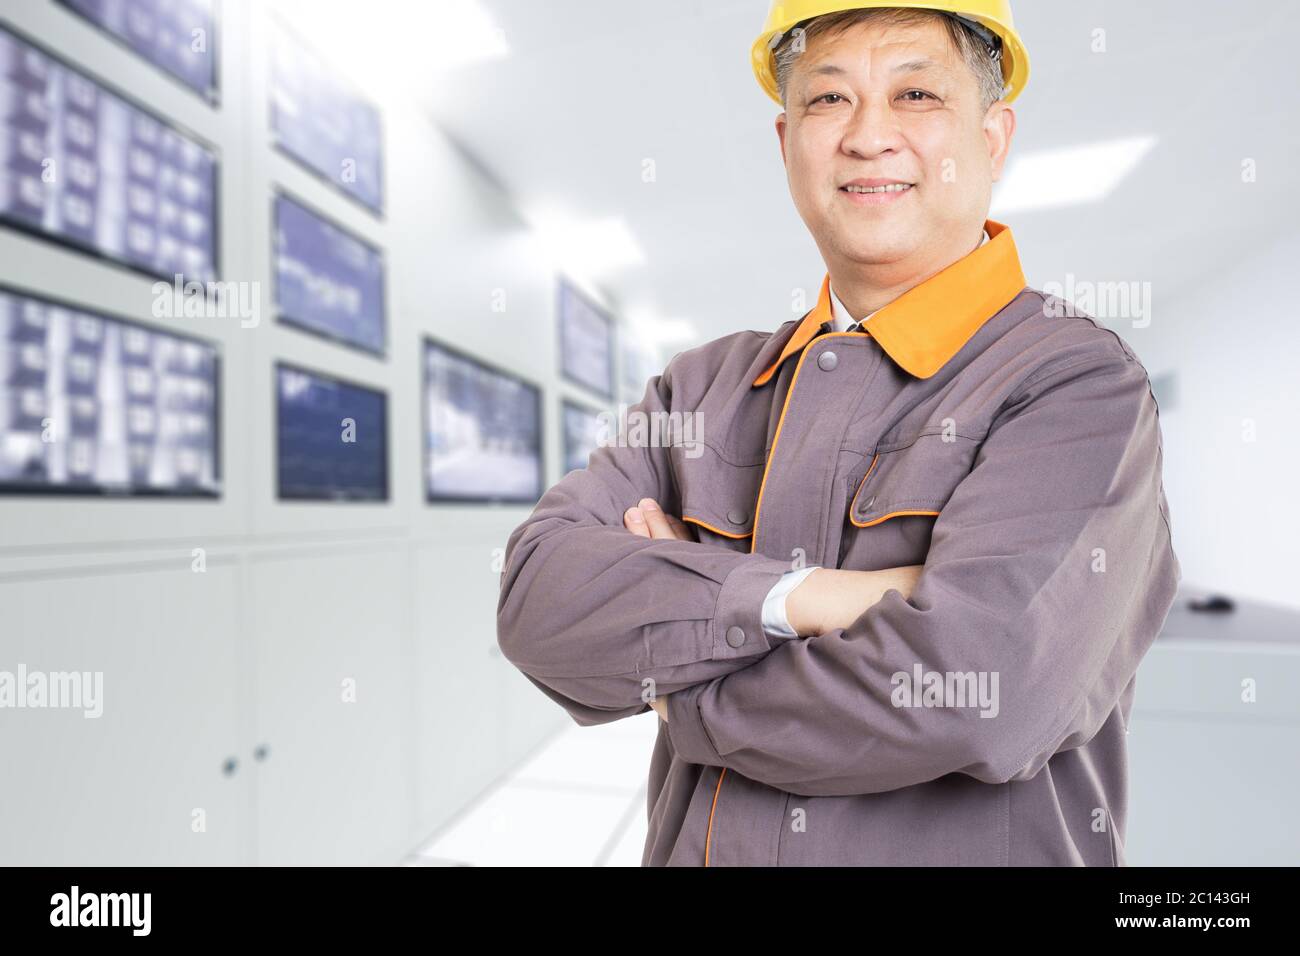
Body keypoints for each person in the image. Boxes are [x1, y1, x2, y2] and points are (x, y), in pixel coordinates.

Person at [496, 0, 1179, 866]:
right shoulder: (702, 386)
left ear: (994, 137)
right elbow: (537, 604)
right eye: (828, 101)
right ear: (787, 144)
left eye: (917, 95)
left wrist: (680, 685)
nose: (868, 136)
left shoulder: (1074, 384)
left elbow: (989, 687)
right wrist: (809, 597)